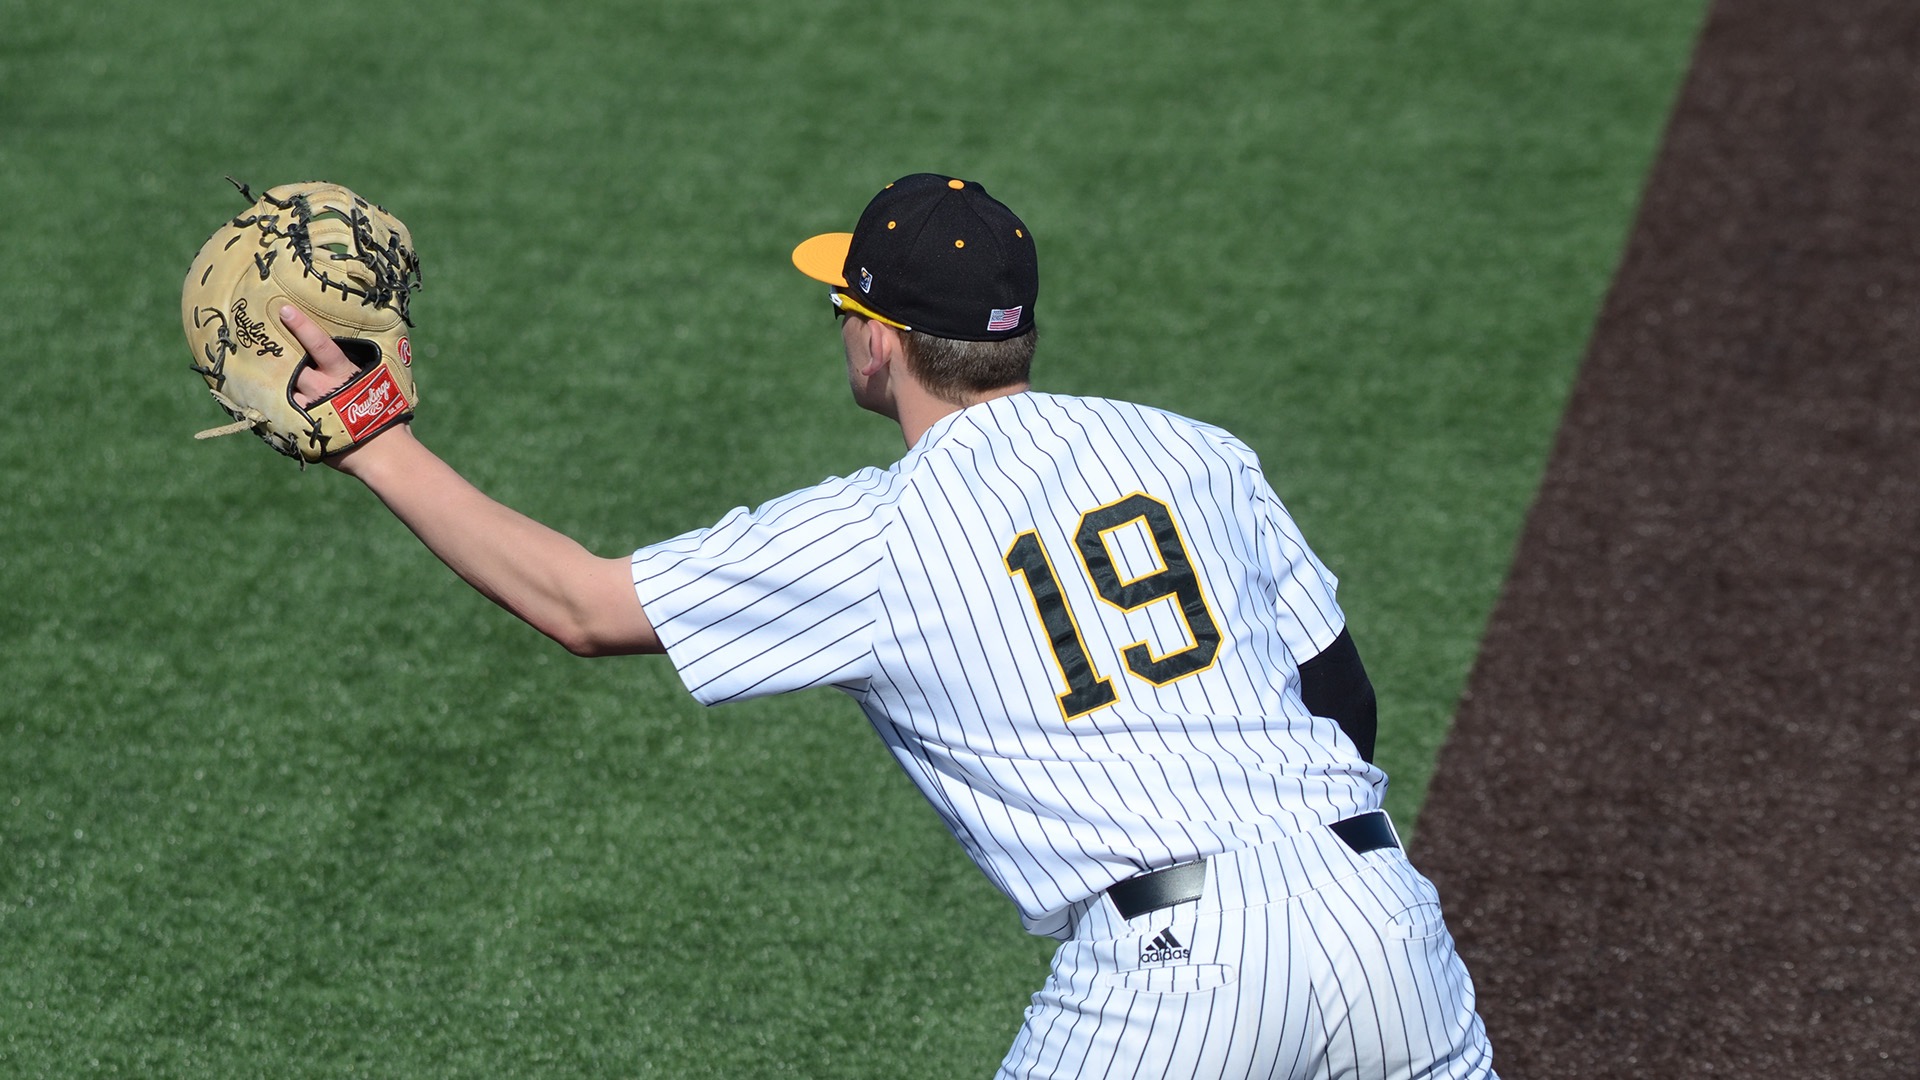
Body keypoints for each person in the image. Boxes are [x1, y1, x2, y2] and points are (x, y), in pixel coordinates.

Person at [280, 173, 1496, 1078]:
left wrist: (371, 434)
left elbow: (580, 605)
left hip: (1181, 974)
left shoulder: (877, 533)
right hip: (1379, 912)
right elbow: (1342, 700)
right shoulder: (1197, 451)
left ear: (879, 338)